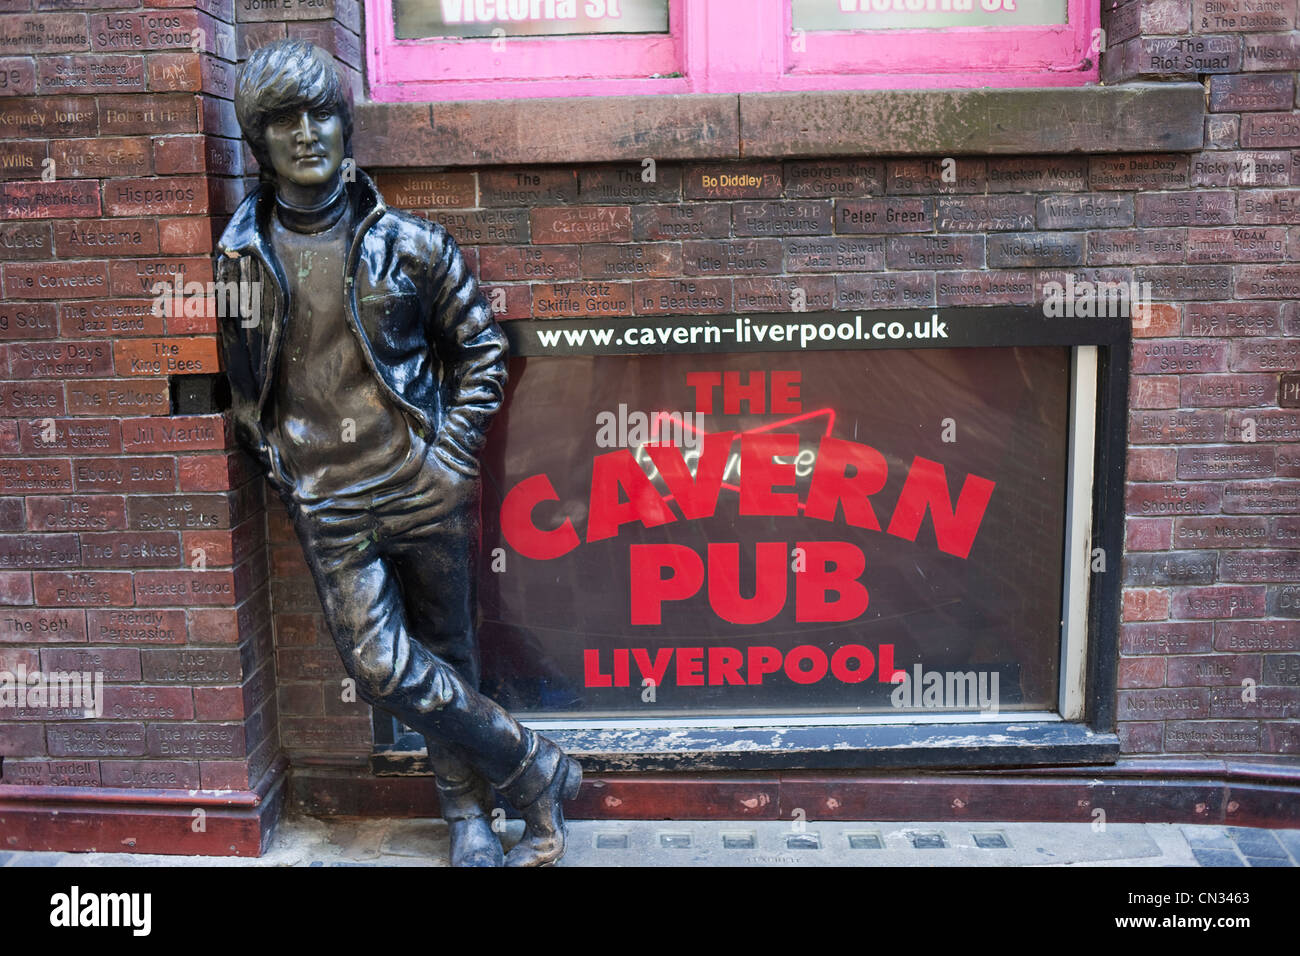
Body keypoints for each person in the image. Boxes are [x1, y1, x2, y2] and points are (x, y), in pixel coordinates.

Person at [214, 39, 580, 867]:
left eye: (321, 116)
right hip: (329, 500)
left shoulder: (412, 244)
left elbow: (480, 353)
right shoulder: (239, 258)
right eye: (283, 122)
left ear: (346, 129)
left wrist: (449, 458)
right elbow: (245, 385)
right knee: (380, 665)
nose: (307, 134)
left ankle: (469, 819)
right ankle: (533, 768)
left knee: (448, 655)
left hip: (422, 483)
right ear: (260, 144)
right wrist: (282, 462)